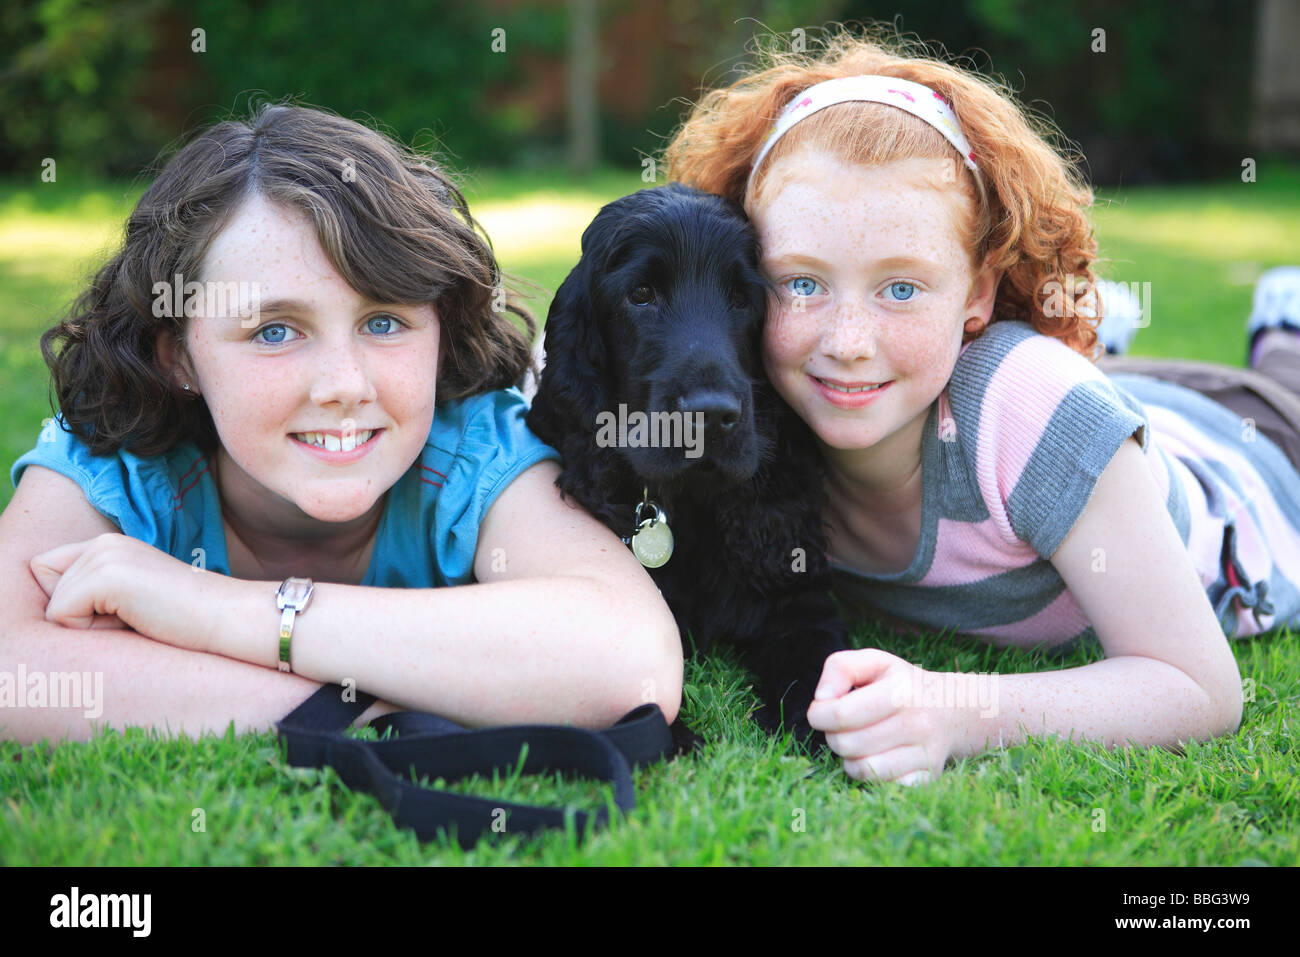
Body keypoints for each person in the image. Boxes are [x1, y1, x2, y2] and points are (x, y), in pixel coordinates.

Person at [663, 26, 1300, 785]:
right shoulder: (742, 401)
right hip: (1046, 396)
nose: (849, 341)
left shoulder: (1032, 408)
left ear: (977, 293)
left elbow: (1198, 687)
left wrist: (956, 707)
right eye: (801, 282)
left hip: (1254, 458)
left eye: (901, 287)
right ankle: (1112, 339)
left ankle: (1283, 320)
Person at [0, 103, 681, 746]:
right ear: (178, 354)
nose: (344, 386)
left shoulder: (474, 450)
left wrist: (215, 610)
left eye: (384, 323)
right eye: (274, 331)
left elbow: (629, 659)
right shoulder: (116, 457)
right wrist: (384, 705)